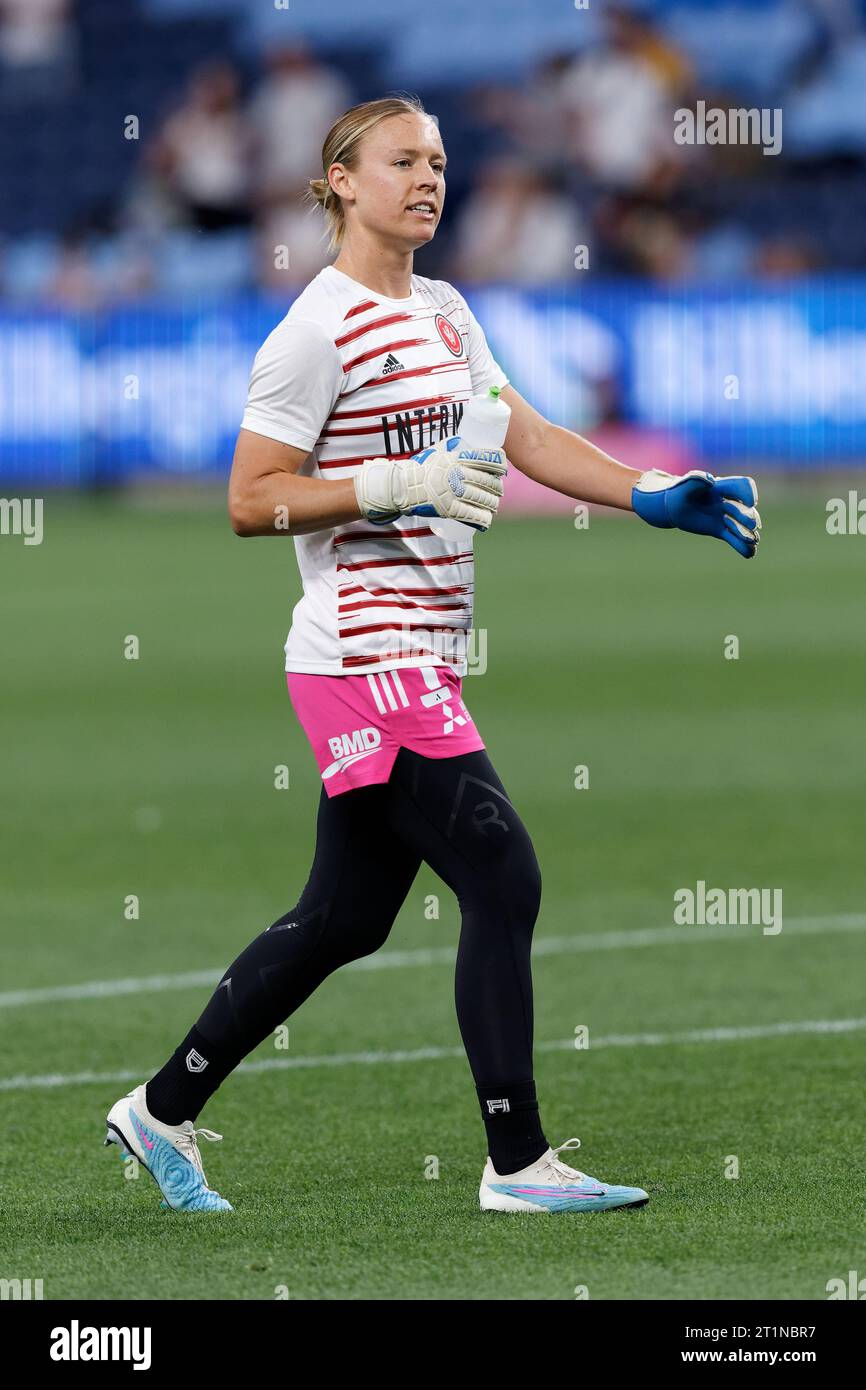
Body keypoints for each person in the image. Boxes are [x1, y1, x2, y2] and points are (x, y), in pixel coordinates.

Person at [104, 96, 760, 1214]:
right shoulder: (313, 332)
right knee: (503, 874)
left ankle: (160, 1111)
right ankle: (517, 1163)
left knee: (345, 919)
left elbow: (526, 434)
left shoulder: (448, 310)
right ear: (341, 181)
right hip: (366, 653)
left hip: (424, 652)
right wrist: (394, 483)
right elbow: (250, 500)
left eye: (440, 163)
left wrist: (650, 492)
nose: (427, 179)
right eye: (402, 160)